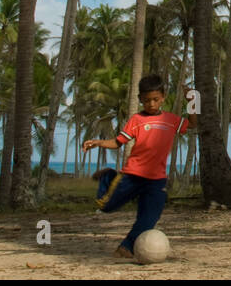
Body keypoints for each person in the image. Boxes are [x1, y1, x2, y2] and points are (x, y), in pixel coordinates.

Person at [83, 74, 196, 259]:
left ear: (163, 97)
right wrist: (98, 142)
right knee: (105, 206)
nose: (151, 104)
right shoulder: (136, 120)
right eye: (146, 101)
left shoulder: (171, 119)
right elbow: (118, 142)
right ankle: (108, 176)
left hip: (157, 180)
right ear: (140, 100)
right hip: (132, 176)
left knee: (149, 217)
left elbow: (193, 123)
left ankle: (126, 247)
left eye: (155, 100)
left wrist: (193, 100)